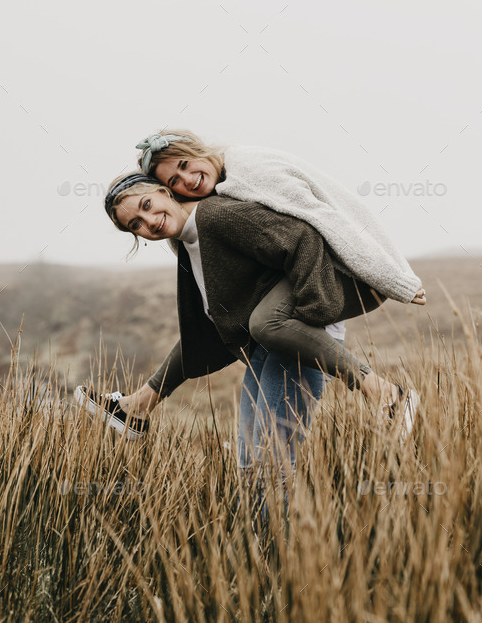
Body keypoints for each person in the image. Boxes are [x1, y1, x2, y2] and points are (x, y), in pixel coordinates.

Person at [76, 167, 423, 462]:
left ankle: (386, 394)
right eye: (136, 223)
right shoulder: (190, 242)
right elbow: (210, 329)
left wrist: (314, 310)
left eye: (147, 205)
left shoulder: (216, 216)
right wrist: (147, 397)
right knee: (251, 464)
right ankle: (135, 409)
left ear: (164, 191)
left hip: (294, 353)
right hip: (266, 354)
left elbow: (302, 236)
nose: (149, 221)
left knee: (270, 464)